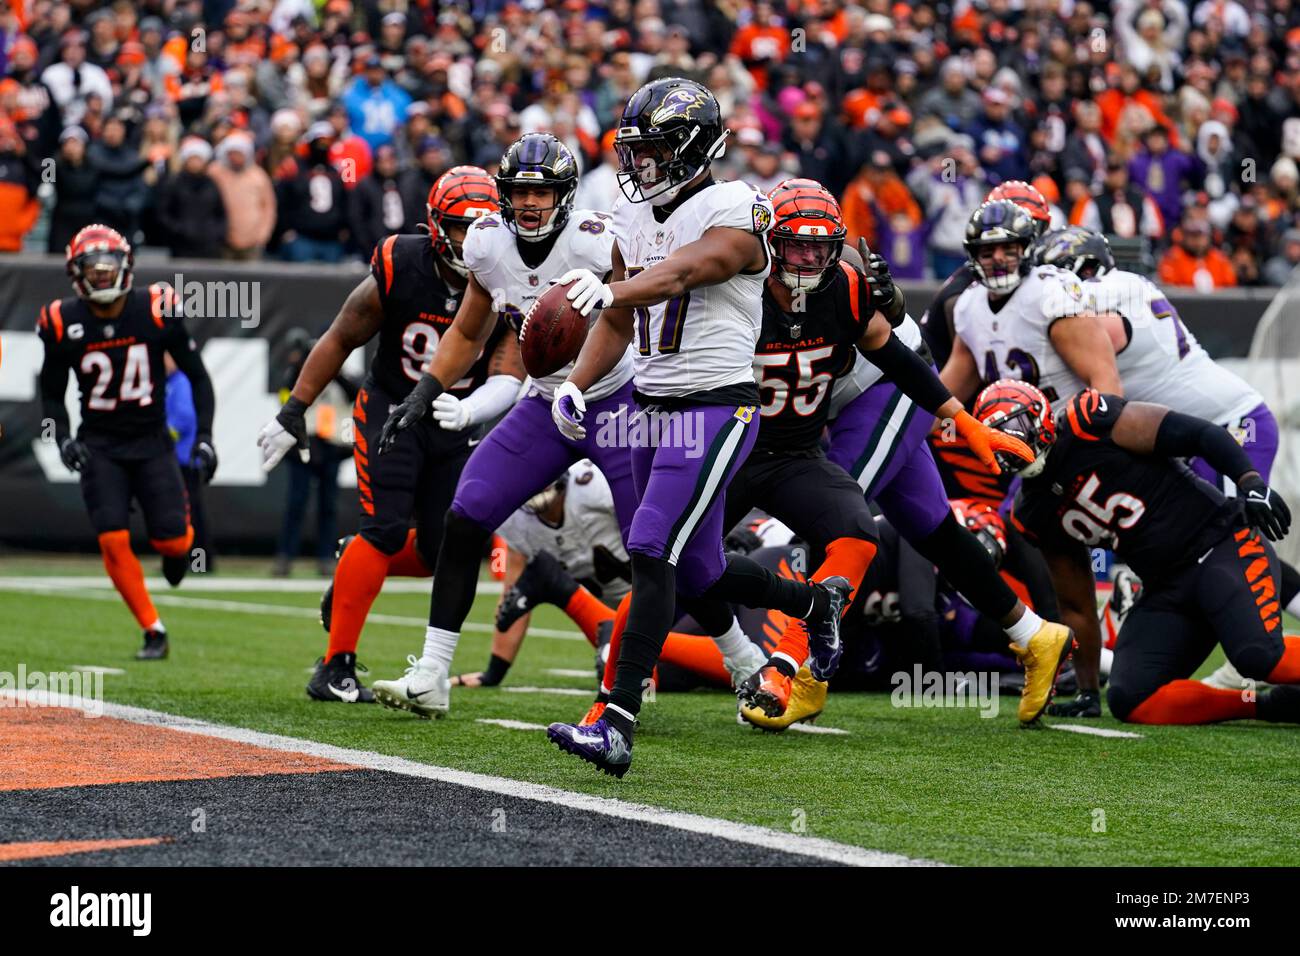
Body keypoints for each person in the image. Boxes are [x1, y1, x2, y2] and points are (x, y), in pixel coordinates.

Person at [365, 132, 648, 720]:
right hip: (546, 403)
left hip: (617, 399)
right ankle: (433, 673)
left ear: (565, 196)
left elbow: (623, 323)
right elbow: (468, 332)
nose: (529, 203)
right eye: (520, 191)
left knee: (655, 544)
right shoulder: (489, 245)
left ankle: (740, 657)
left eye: (542, 192)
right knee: (466, 515)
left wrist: (580, 383)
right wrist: (425, 392)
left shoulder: (596, 242)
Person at [260, 166, 520, 702]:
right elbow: (340, 336)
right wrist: (296, 409)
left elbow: (507, 370)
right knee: (381, 529)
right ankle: (336, 666)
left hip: (453, 417)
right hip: (390, 407)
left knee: (436, 551)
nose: (470, 241)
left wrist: (472, 410)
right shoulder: (403, 263)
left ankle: (353, 562)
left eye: (482, 227)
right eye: (458, 227)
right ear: (434, 225)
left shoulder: (512, 272)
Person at [977, 381, 1300, 725]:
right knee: (1132, 699)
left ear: (1040, 416)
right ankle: (1271, 706)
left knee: (1260, 658)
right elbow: (1077, 604)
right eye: (997, 438)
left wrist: (1250, 481)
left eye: (1014, 429)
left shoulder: (1087, 421)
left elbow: (1199, 434)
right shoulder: (1032, 510)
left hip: (1220, 544)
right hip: (1167, 587)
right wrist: (1087, 690)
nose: (1008, 445)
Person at [37, 226, 216, 660]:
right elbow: (50, 389)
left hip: (152, 441)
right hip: (100, 444)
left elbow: (197, 374)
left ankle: (176, 554)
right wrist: (62, 438)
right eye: (92, 270)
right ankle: (153, 630)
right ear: (76, 274)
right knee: (113, 539)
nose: (101, 276)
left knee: (175, 544)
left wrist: (206, 438)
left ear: (126, 267)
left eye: (107, 268)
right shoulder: (63, 321)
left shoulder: (155, 309)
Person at [163, 352, 212, 571]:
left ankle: (199, 561)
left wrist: (162, 439)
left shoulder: (180, 381)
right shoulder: (171, 382)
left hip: (185, 459)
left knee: (190, 512)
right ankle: (191, 560)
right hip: (181, 458)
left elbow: (183, 418)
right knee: (188, 511)